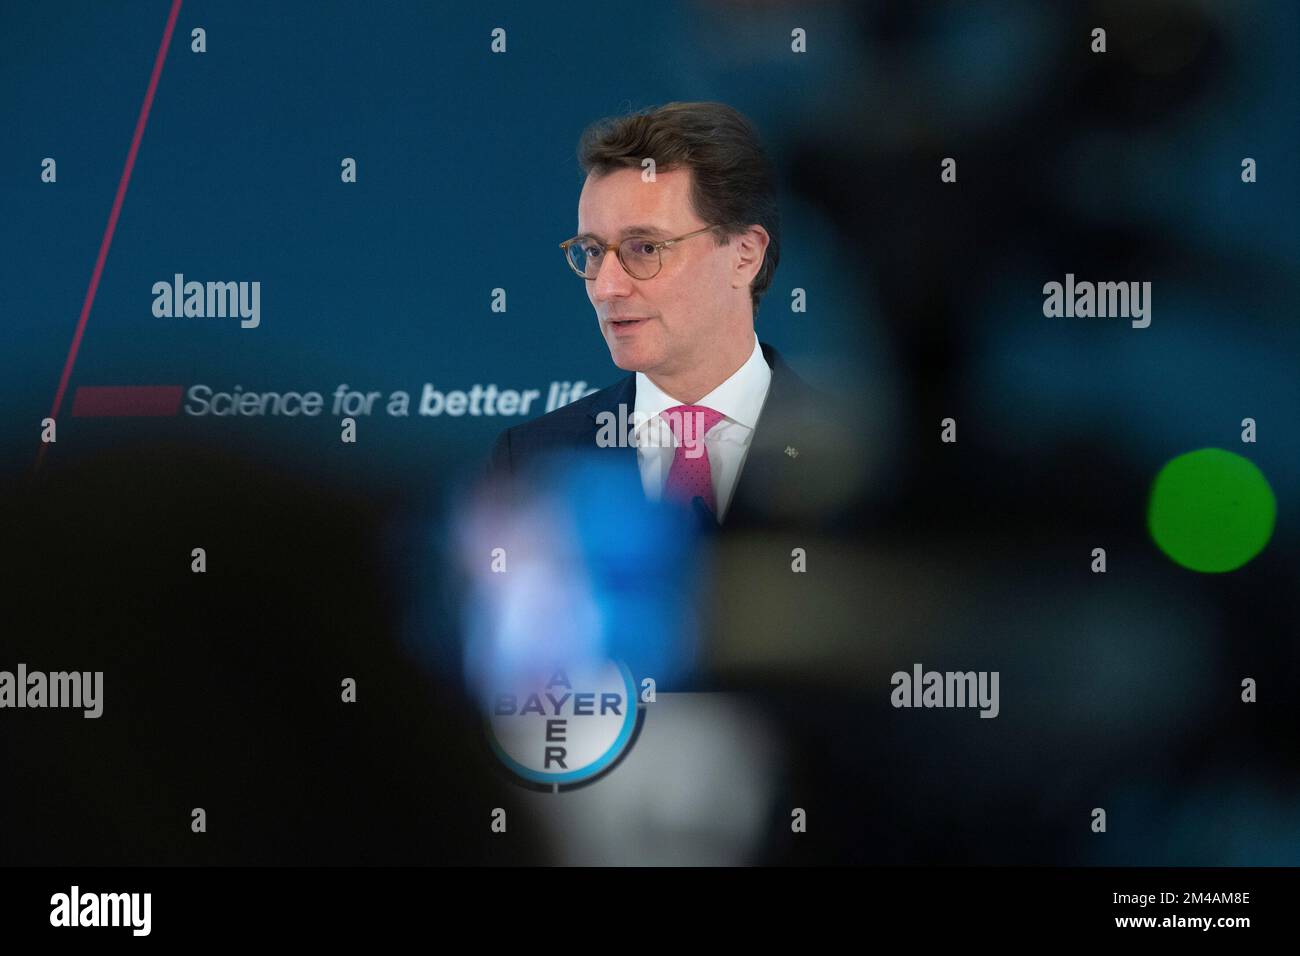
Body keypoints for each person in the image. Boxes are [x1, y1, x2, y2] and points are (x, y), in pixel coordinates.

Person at [488, 101, 836, 534]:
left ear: (745, 255)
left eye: (646, 248)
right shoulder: (532, 463)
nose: (606, 287)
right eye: (594, 252)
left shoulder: (852, 457)